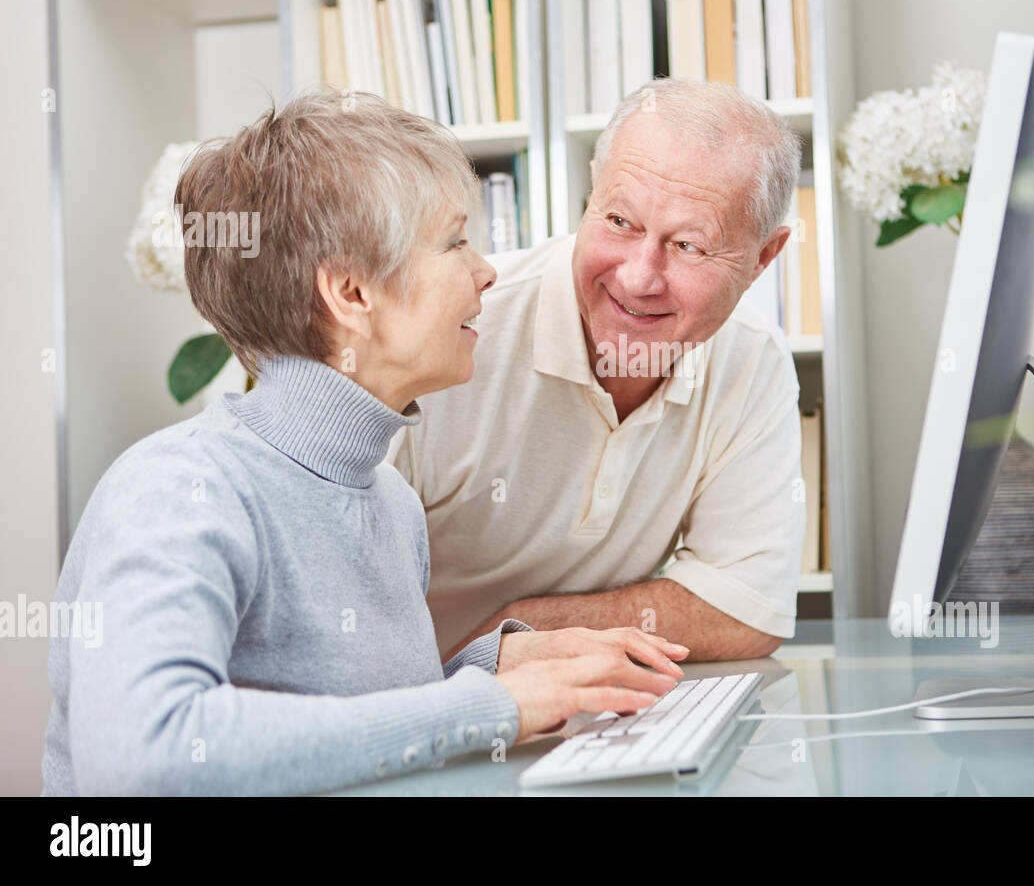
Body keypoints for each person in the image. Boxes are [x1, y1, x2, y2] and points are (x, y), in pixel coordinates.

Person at [41, 87, 686, 796]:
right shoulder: (178, 487)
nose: (487, 271)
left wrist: (494, 669)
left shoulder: (388, 498)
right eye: (454, 240)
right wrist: (489, 706)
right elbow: (143, 753)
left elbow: (351, 725)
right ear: (350, 293)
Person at [388, 79, 805, 662]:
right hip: (404, 717)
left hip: (579, 719)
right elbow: (325, 609)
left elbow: (748, 608)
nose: (638, 278)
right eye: (619, 222)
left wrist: (524, 626)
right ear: (591, 191)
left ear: (764, 256)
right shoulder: (454, 328)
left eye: (687, 245)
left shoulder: (751, 360)